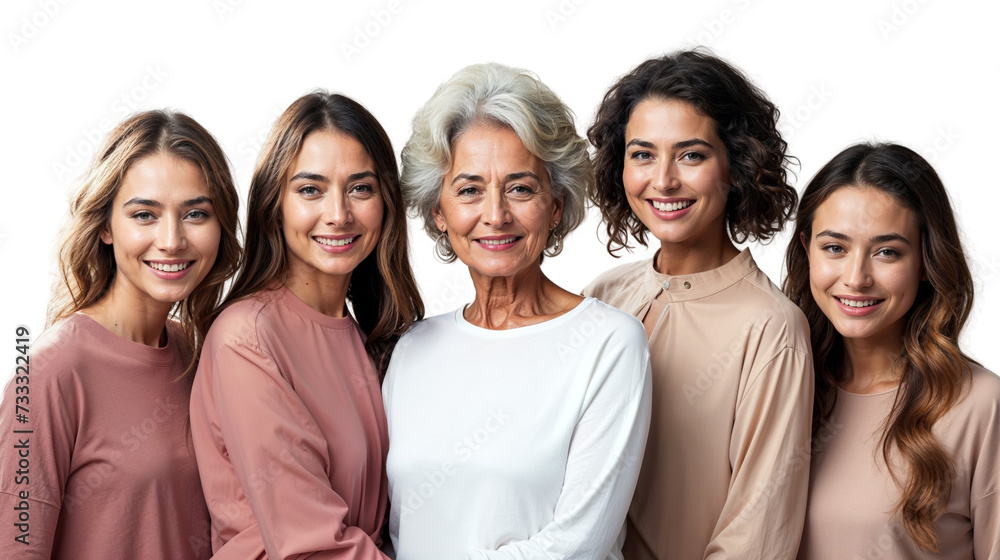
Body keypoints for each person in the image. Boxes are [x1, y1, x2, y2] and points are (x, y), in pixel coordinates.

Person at [383, 62, 652, 559]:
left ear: (556, 205)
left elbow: (579, 545)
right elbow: (401, 530)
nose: (495, 214)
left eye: (520, 187)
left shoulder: (608, 342)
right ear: (439, 212)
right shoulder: (412, 349)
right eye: (468, 190)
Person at [584, 50, 814, 558]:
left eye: (690, 155)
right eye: (642, 154)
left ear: (736, 167)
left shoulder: (771, 327)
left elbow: (757, 531)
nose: (663, 180)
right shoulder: (603, 296)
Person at [189, 91, 422, 559]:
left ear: (386, 202)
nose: (338, 214)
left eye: (360, 188)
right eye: (310, 189)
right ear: (275, 203)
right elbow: (313, 544)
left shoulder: (367, 336)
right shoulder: (247, 337)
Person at [0, 110, 241, 559]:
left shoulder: (201, 353)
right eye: (145, 214)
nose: (171, 240)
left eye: (195, 213)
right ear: (107, 226)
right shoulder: (48, 375)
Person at [785, 142, 999, 558]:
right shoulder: (783, 385)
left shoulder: (980, 405)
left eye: (887, 252)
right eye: (835, 248)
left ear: (925, 261)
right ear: (807, 248)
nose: (856, 277)